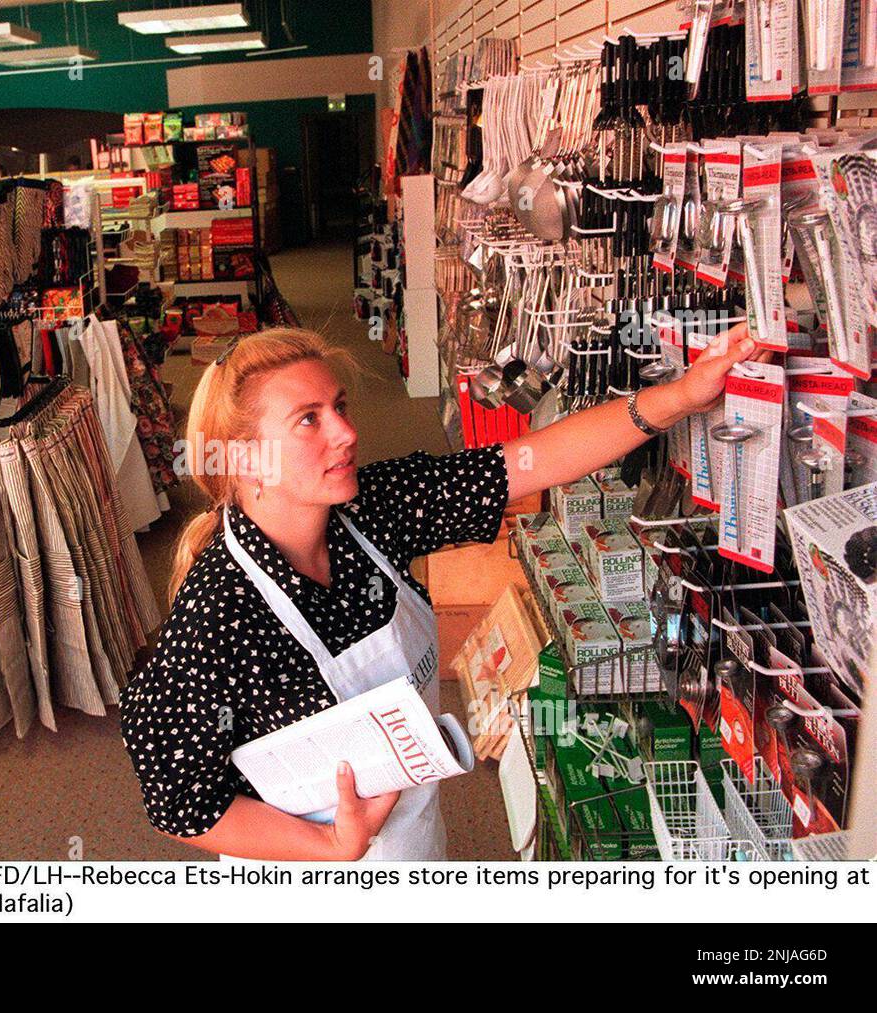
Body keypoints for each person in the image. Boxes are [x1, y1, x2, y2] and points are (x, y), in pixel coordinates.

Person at [120, 324, 758, 861]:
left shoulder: (371, 509)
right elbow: (180, 801)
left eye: (339, 406)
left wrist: (677, 398)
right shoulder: (219, 613)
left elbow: (528, 462)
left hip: (414, 839)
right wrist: (329, 848)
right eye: (309, 420)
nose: (344, 432)